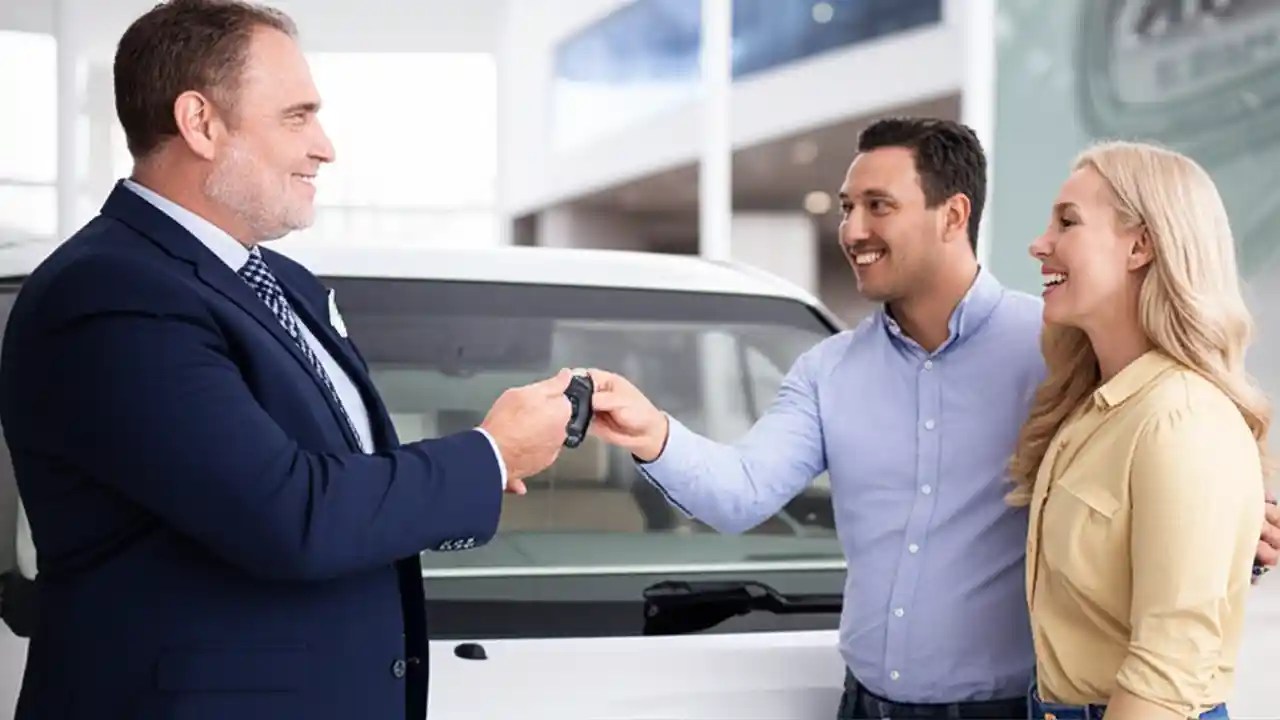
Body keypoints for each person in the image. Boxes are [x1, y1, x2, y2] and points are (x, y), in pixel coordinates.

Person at [584, 117, 1280, 720]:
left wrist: (1238, 526)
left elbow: (1175, 459)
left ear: (953, 215)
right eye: (847, 208)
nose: (852, 230)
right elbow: (741, 491)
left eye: (878, 206)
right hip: (865, 705)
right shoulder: (829, 372)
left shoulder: (1061, 347)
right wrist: (652, 432)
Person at [0, 1, 572, 718]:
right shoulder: (111, 293)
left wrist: (483, 467)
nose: (325, 148)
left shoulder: (283, 284)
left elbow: (341, 480)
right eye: (296, 117)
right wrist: (488, 456)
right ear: (200, 122)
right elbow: (289, 514)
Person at [1010, 141, 1268, 720]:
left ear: (1141, 245)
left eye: (1067, 222)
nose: (1039, 244)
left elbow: (1166, 672)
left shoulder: (1181, 419)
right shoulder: (1094, 408)